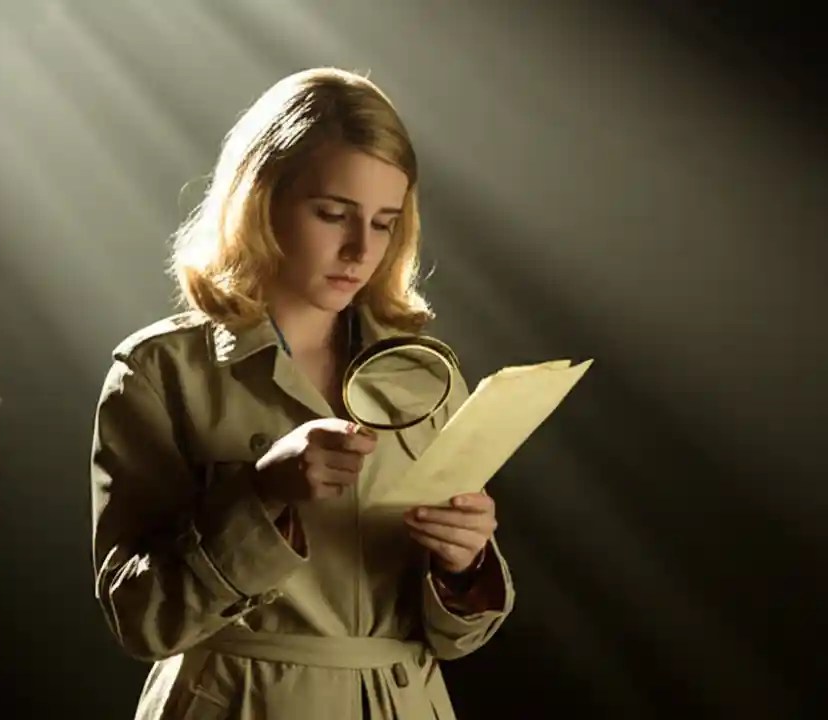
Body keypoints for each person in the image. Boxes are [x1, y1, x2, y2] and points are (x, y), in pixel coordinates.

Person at [89, 67, 514, 720]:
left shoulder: (424, 378)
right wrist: (261, 494)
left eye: (384, 223)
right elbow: (138, 620)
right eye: (333, 214)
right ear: (261, 200)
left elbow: (454, 641)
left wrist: (464, 568)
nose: (358, 249)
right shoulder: (160, 370)